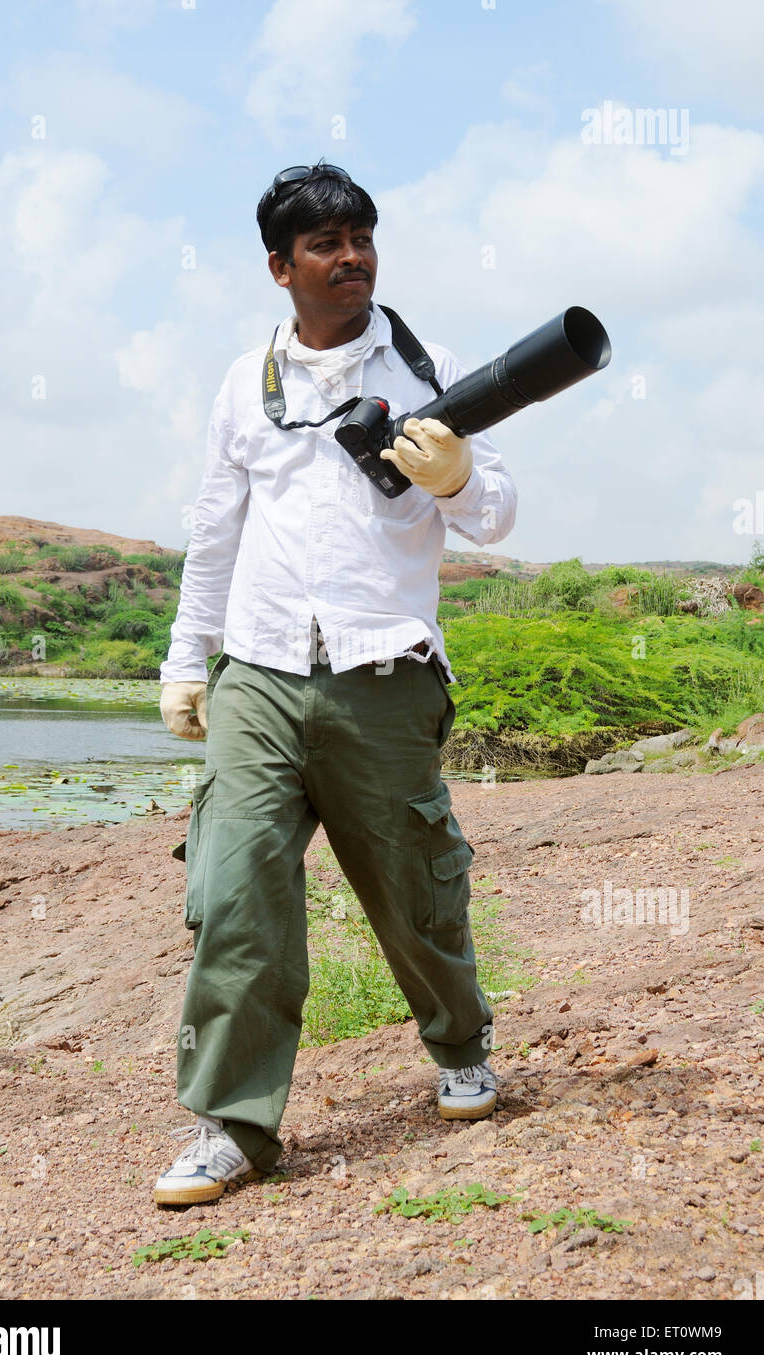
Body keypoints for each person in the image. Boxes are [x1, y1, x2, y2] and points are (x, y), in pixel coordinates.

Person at [154, 161, 518, 1206]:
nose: (350, 255)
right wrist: (187, 664)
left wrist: (451, 474)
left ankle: (459, 1045)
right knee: (233, 891)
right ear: (280, 267)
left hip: (384, 669)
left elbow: (494, 512)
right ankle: (232, 1124)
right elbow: (213, 533)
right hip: (260, 669)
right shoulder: (240, 383)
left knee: (414, 890)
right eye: (324, 244)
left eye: (361, 236)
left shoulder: (427, 364)